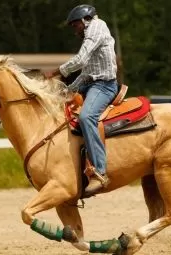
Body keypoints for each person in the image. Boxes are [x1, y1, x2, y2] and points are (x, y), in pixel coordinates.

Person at [45, 4, 118, 197]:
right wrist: (67, 90)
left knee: (86, 117)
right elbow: (86, 74)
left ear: (86, 19)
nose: (74, 29)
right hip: (90, 82)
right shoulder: (90, 32)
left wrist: (58, 71)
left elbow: (81, 60)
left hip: (104, 85)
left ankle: (100, 171)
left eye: (75, 24)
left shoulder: (96, 27)